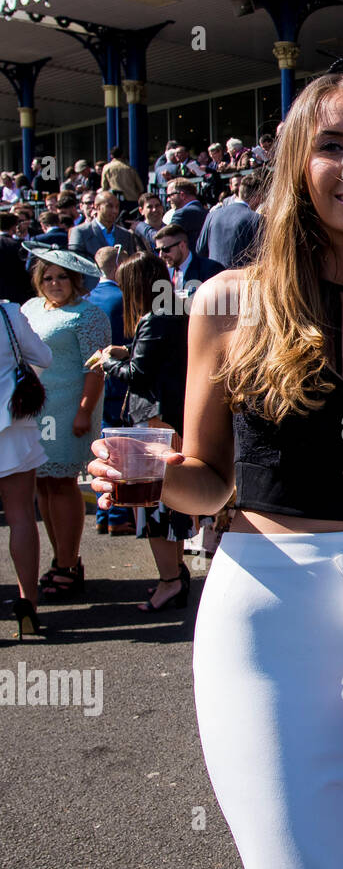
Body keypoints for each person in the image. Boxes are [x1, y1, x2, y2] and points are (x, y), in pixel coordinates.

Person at [89, 64, 343, 869]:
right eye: (332, 147)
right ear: (297, 164)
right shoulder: (229, 302)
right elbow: (208, 481)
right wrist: (153, 477)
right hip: (265, 620)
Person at [97, 252, 194, 611]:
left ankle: (170, 580)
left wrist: (109, 362)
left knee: (153, 504)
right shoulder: (177, 310)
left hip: (154, 420)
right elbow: (158, 361)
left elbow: (139, 376)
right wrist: (128, 353)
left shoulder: (155, 317)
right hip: (171, 417)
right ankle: (176, 575)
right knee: (168, 504)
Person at [21, 249, 110, 599]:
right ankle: (61, 559)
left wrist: (84, 412)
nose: (54, 283)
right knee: (42, 484)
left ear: (75, 280)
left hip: (70, 409)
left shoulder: (89, 315)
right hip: (34, 411)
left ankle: (68, 564)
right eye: (47, 277)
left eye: (61, 277)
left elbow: (95, 368)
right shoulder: (30, 309)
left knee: (61, 482)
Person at [0, 297, 54, 637]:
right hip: (11, 426)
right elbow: (44, 357)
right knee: (20, 514)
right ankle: (27, 605)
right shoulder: (7, 312)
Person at [85, 246, 134, 536]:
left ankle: (105, 515)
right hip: (119, 382)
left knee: (107, 445)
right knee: (119, 449)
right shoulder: (122, 299)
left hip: (99, 381)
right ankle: (117, 514)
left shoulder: (91, 298)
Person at [196, 171, 263, 269]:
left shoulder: (213, 215)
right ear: (257, 196)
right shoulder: (256, 219)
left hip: (214, 278)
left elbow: (200, 250)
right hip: (242, 279)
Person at [69, 190, 139, 261]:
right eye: (109, 206)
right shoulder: (80, 232)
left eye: (117, 207)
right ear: (97, 207)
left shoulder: (125, 235)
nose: (115, 211)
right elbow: (75, 263)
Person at [155, 224, 223, 293]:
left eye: (165, 249)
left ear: (182, 246)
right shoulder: (165, 272)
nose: (161, 255)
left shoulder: (210, 270)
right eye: (158, 250)